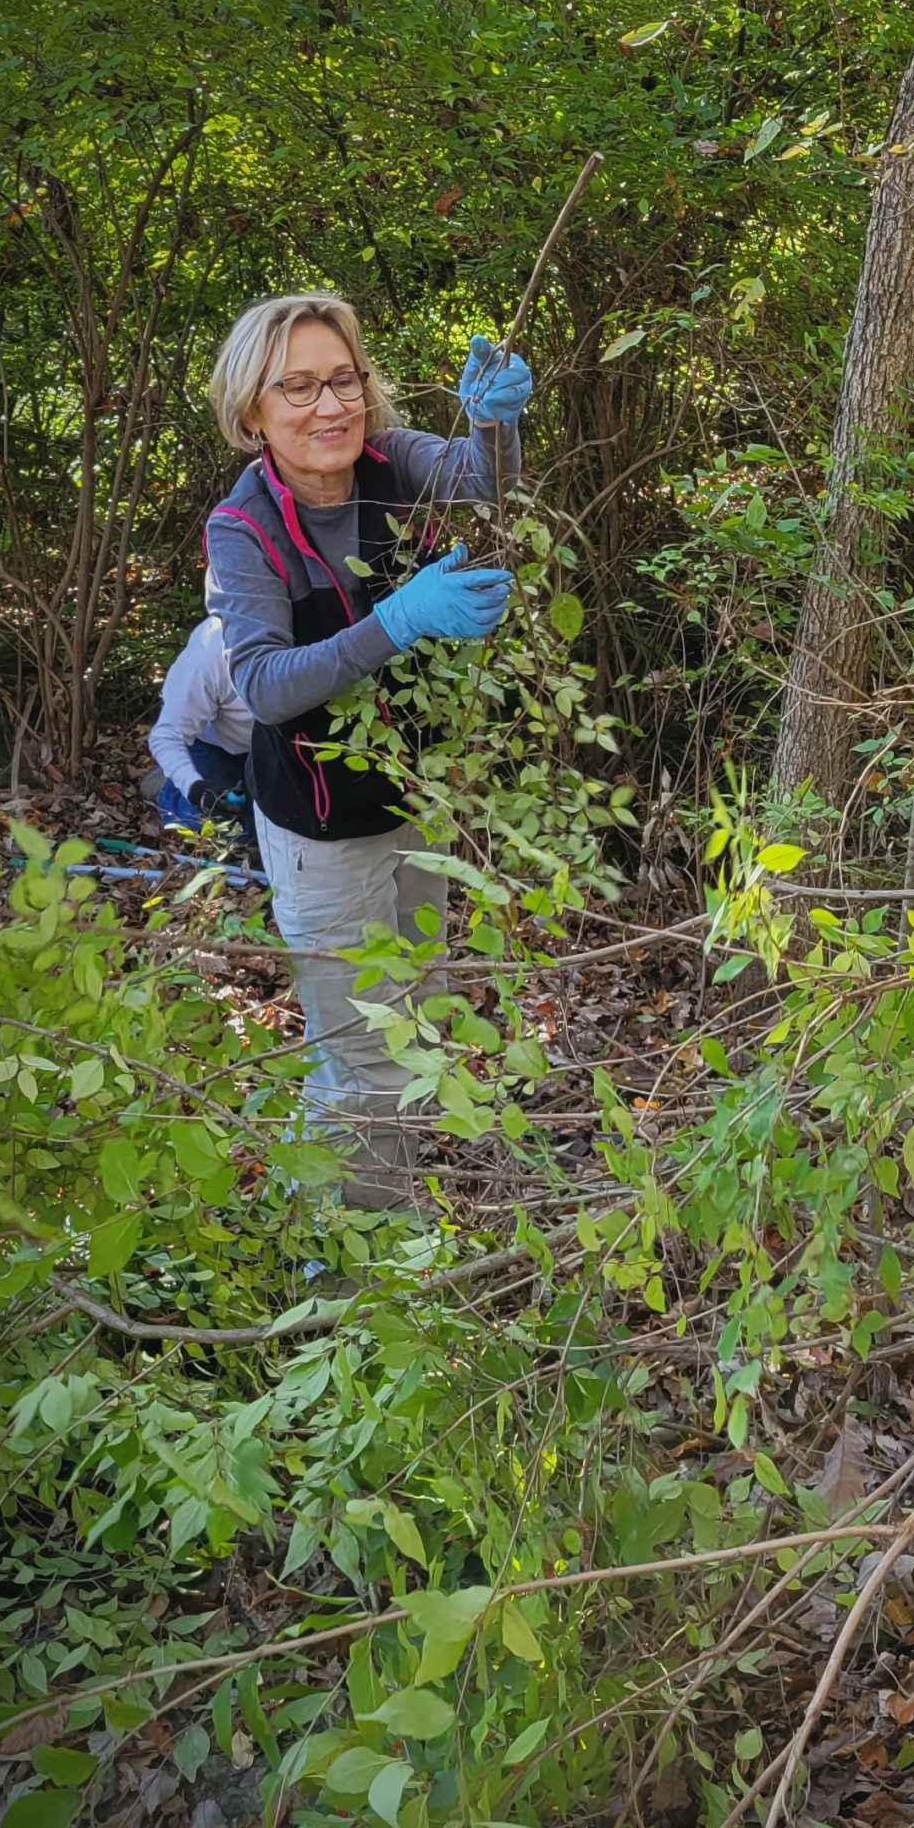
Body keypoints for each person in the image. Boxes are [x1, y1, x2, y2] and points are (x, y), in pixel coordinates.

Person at [203, 291, 535, 1209]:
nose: (330, 406)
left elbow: (486, 482)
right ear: (253, 413)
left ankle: (380, 1225)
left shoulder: (397, 461)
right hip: (320, 825)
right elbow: (266, 686)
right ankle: (348, 1283)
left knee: (416, 1016)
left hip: (412, 801)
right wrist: (394, 621)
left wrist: (493, 425)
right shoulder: (244, 530)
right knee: (361, 1064)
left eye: (343, 379)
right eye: (298, 387)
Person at [144, 614, 257, 857]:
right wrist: (196, 789)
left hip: (280, 748)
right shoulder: (211, 653)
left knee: (285, 828)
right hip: (213, 744)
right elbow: (168, 736)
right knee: (221, 833)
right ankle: (171, 789)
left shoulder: (322, 634)